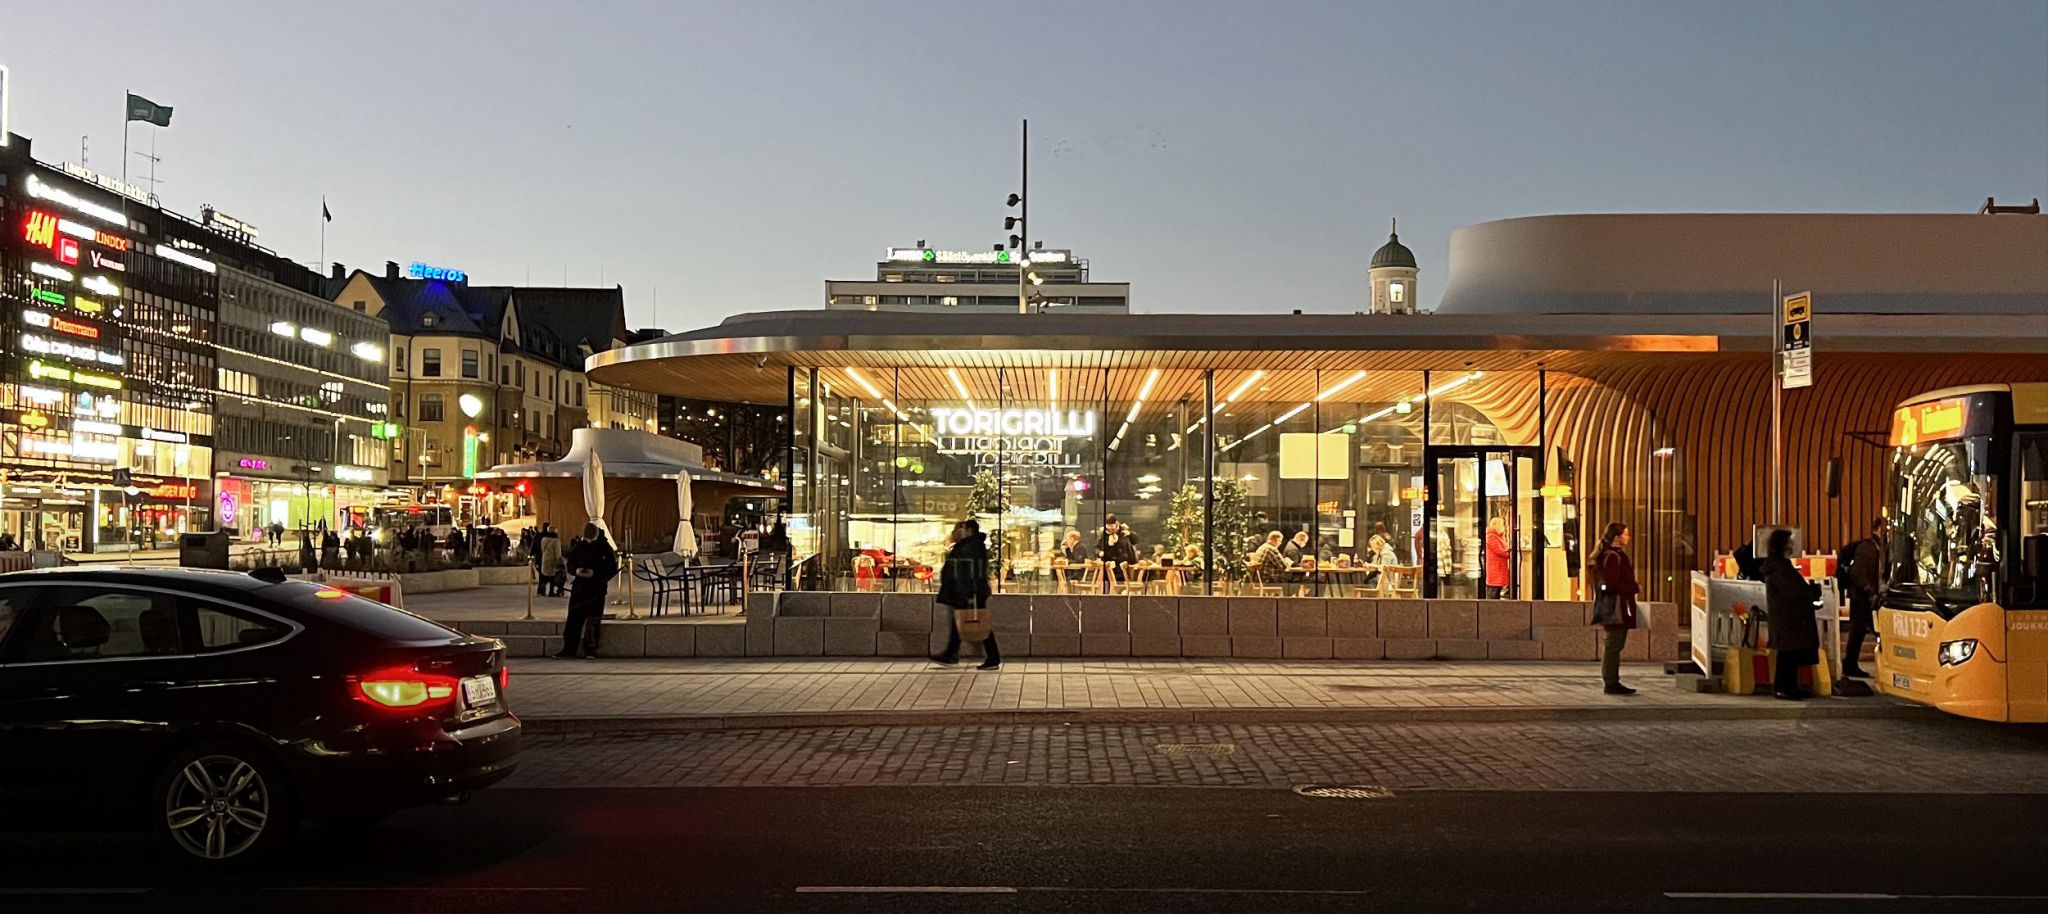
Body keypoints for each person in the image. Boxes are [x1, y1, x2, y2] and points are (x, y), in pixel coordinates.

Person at [930, 519, 999, 670]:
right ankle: (951, 654)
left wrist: (968, 592)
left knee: (978, 622)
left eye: (958, 529)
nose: (954, 532)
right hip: (966, 591)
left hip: (969, 592)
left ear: (967, 530)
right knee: (962, 622)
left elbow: (968, 571)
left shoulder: (971, 546)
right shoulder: (969, 545)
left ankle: (992, 657)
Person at [1763, 528, 1821, 700]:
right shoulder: (1779, 567)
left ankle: (1790, 686)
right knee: (1788, 654)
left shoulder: (1778, 566)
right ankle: (1784, 688)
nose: (1792, 546)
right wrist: (1811, 591)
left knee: (1790, 654)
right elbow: (1794, 589)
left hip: (1789, 616)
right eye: (1789, 542)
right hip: (1789, 617)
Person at [1589, 521, 1640, 695]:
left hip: (1616, 606)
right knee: (1613, 644)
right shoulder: (1613, 556)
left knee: (1614, 644)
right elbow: (1611, 584)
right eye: (1625, 534)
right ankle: (1611, 682)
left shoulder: (1613, 554)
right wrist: (1632, 587)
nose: (1628, 537)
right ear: (1617, 538)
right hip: (1616, 607)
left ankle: (1612, 680)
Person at [556, 523, 619, 659]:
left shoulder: (605, 548)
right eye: (587, 539)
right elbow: (571, 563)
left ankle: (590, 650)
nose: (589, 541)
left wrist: (595, 574)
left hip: (596, 590)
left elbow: (611, 569)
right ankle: (569, 649)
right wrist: (576, 571)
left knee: (593, 621)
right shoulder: (579, 546)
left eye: (591, 539)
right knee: (573, 620)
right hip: (579, 588)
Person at [1843, 517, 1890, 678]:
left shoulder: (1878, 547)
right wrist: (1870, 591)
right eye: (1885, 527)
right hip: (1863, 598)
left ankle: (1850, 664)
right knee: (1860, 631)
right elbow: (1857, 573)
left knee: (1862, 632)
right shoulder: (1868, 548)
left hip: (1867, 597)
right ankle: (1850, 665)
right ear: (1877, 528)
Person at [1485, 516, 1513, 599]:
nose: (1503, 527)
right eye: (1502, 525)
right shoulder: (1491, 537)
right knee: (1493, 592)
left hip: (1498, 568)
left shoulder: (1498, 537)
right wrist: (1510, 553)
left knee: (1496, 591)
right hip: (1496, 569)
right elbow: (1500, 551)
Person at [539, 527, 567, 596]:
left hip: (545, 559)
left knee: (545, 576)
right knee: (552, 577)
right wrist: (560, 562)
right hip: (552, 561)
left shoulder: (543, 539)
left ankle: (542, 590)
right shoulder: (556, 541)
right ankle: (551, 591)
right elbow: (558, 553)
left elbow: (542, 549)